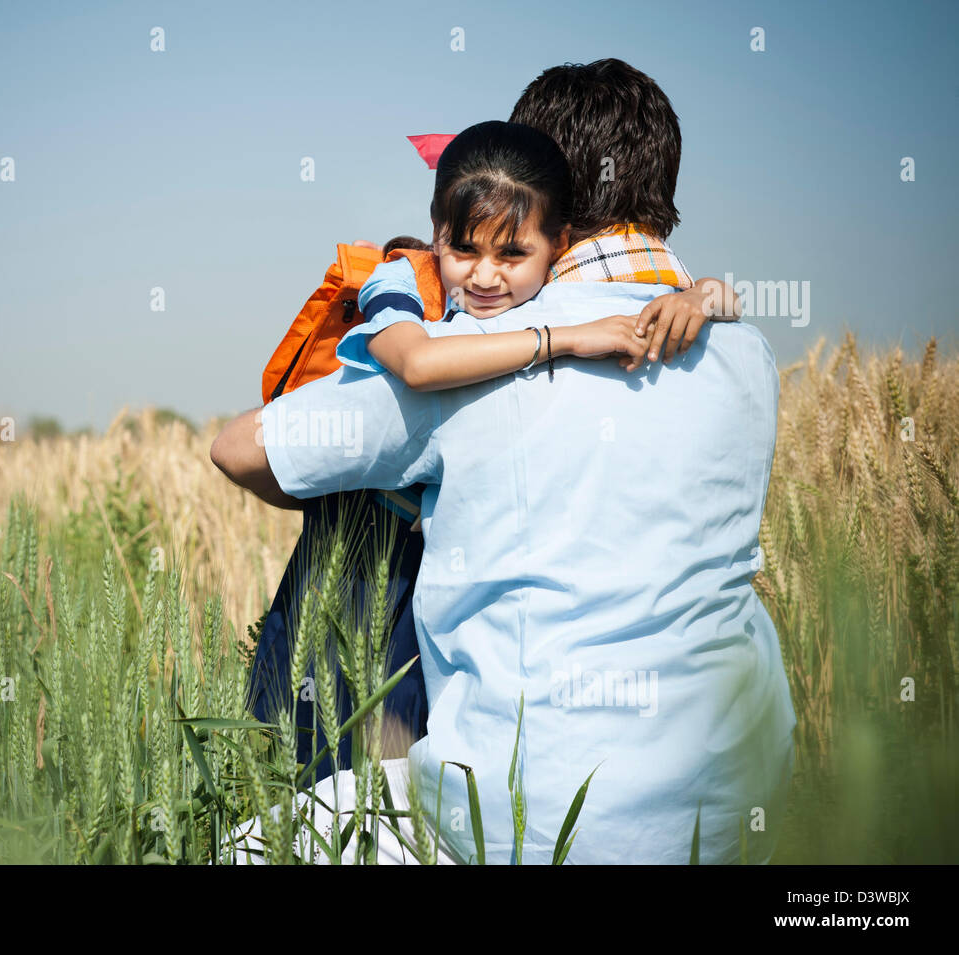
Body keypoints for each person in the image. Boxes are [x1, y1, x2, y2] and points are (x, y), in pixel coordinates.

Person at [212, 59, 797, 864]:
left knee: (254, 843)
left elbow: (243, 448)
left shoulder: (477, 353)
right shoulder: (746, 352)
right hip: (731, 819)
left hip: (520, 820)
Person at [245, 120, 735, 786]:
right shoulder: (402, 283)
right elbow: (417, 364)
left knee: (398, 780)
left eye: (511, 254)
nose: (483, 275)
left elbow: (642, 279)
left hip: (435, 580)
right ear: (438, 234)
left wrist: (702, 292)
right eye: (463, 248)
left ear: (559, 250)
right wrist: (564, 338)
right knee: (320, 779)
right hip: (358, 566)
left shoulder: (540, 293)